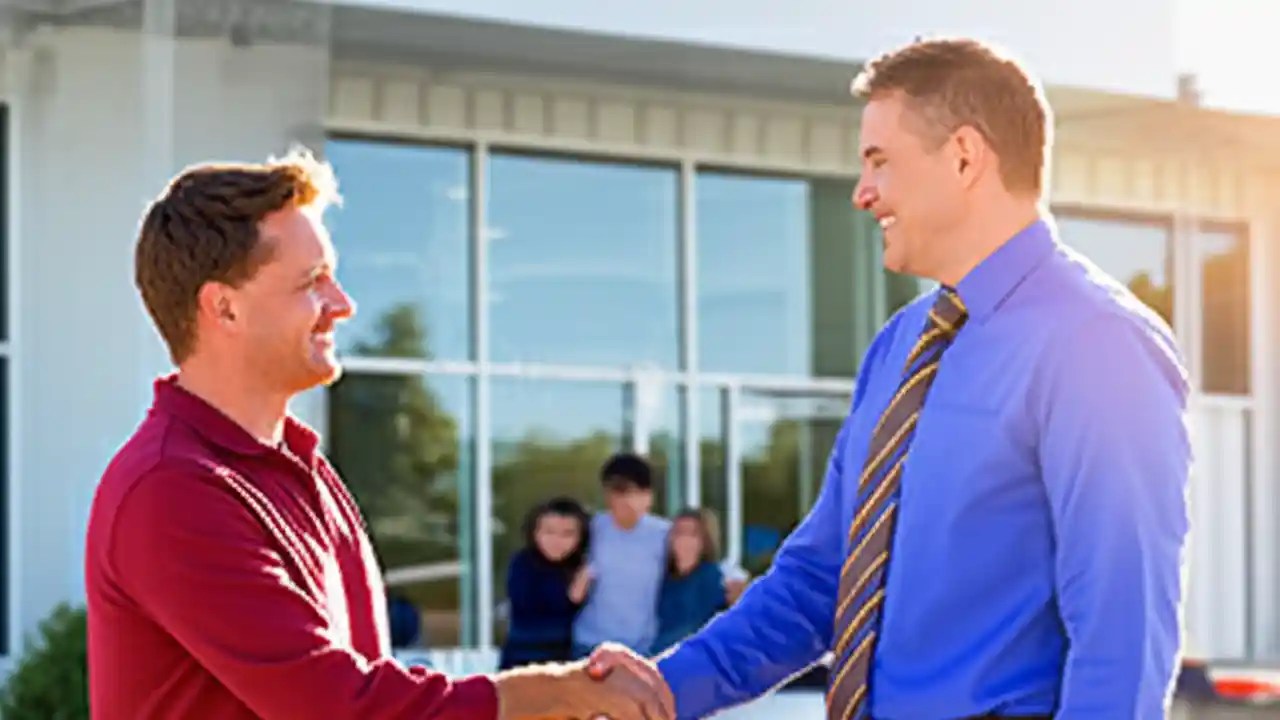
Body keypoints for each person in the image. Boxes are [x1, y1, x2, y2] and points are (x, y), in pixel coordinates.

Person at [588, 37, 1191, 719]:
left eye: (879, 162)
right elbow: (820, 581)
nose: (862, 193)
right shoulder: (900, 347)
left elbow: (1124, 636)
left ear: (965, 157)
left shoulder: (1097, 344)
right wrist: (659, 691)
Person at [83, 149, 673, 720]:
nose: (341, 304)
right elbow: (342, 706)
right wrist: (559, 693)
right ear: (224, 309)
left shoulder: (303, 469)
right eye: (311, 281)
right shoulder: (171, 490)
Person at [571, 452, 671, 658]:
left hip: (643, 648)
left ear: (649, 496)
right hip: (590, 644)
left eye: (636, 492)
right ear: (607, 495)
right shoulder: (592, 529)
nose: (628, 501)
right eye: (619, 491)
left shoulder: (665, 534)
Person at [499, 496, 592, 670]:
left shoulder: (579, 566)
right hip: (521, 661)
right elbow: (526, 611)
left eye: (568, 534)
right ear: (534, 532)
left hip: (565, 664)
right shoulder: (522, 563)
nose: (557, 540)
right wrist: (571, 598)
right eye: (549, 532)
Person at [652, 509, 738, 654]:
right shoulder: (664, 579)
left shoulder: (712, 577)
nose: (684, 539)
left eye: (692, 534)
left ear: (704, 540)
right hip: (660, 660)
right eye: (679, 532)